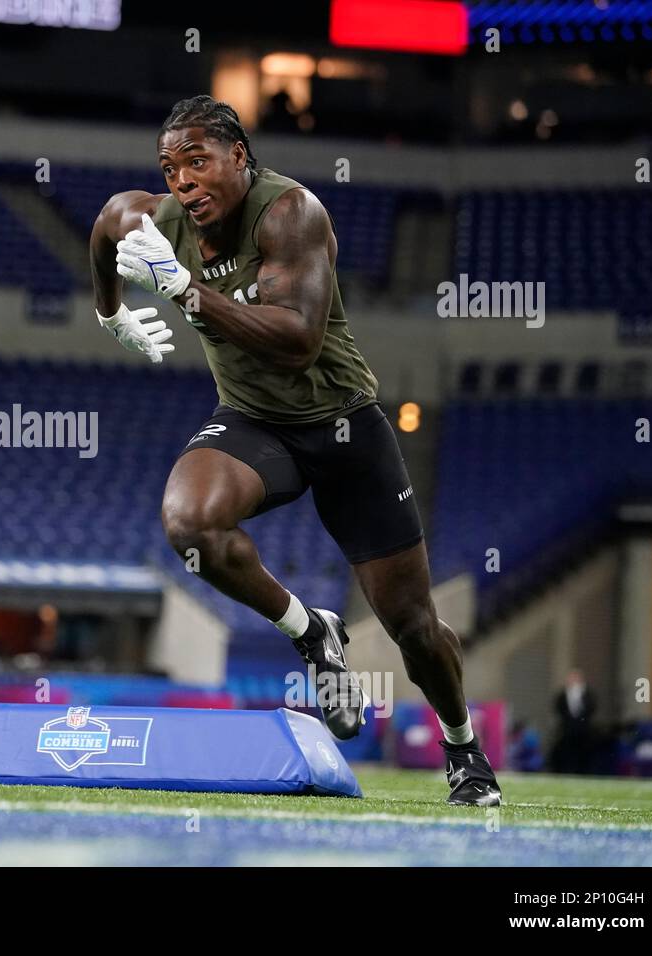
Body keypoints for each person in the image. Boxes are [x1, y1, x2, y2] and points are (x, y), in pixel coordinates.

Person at [88, 95, 500, 805]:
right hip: (255, 423)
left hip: (344, 427)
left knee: (413, 627)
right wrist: (112, 312)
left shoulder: (291, 214)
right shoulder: (151, 220)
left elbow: (296, 339)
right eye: (170, 168)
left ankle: (464, 750)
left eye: (198, 161)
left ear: (239, 157)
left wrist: (185, 290)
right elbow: (103, 231)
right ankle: (311, 632)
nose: (182, 180)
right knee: (190, 523)